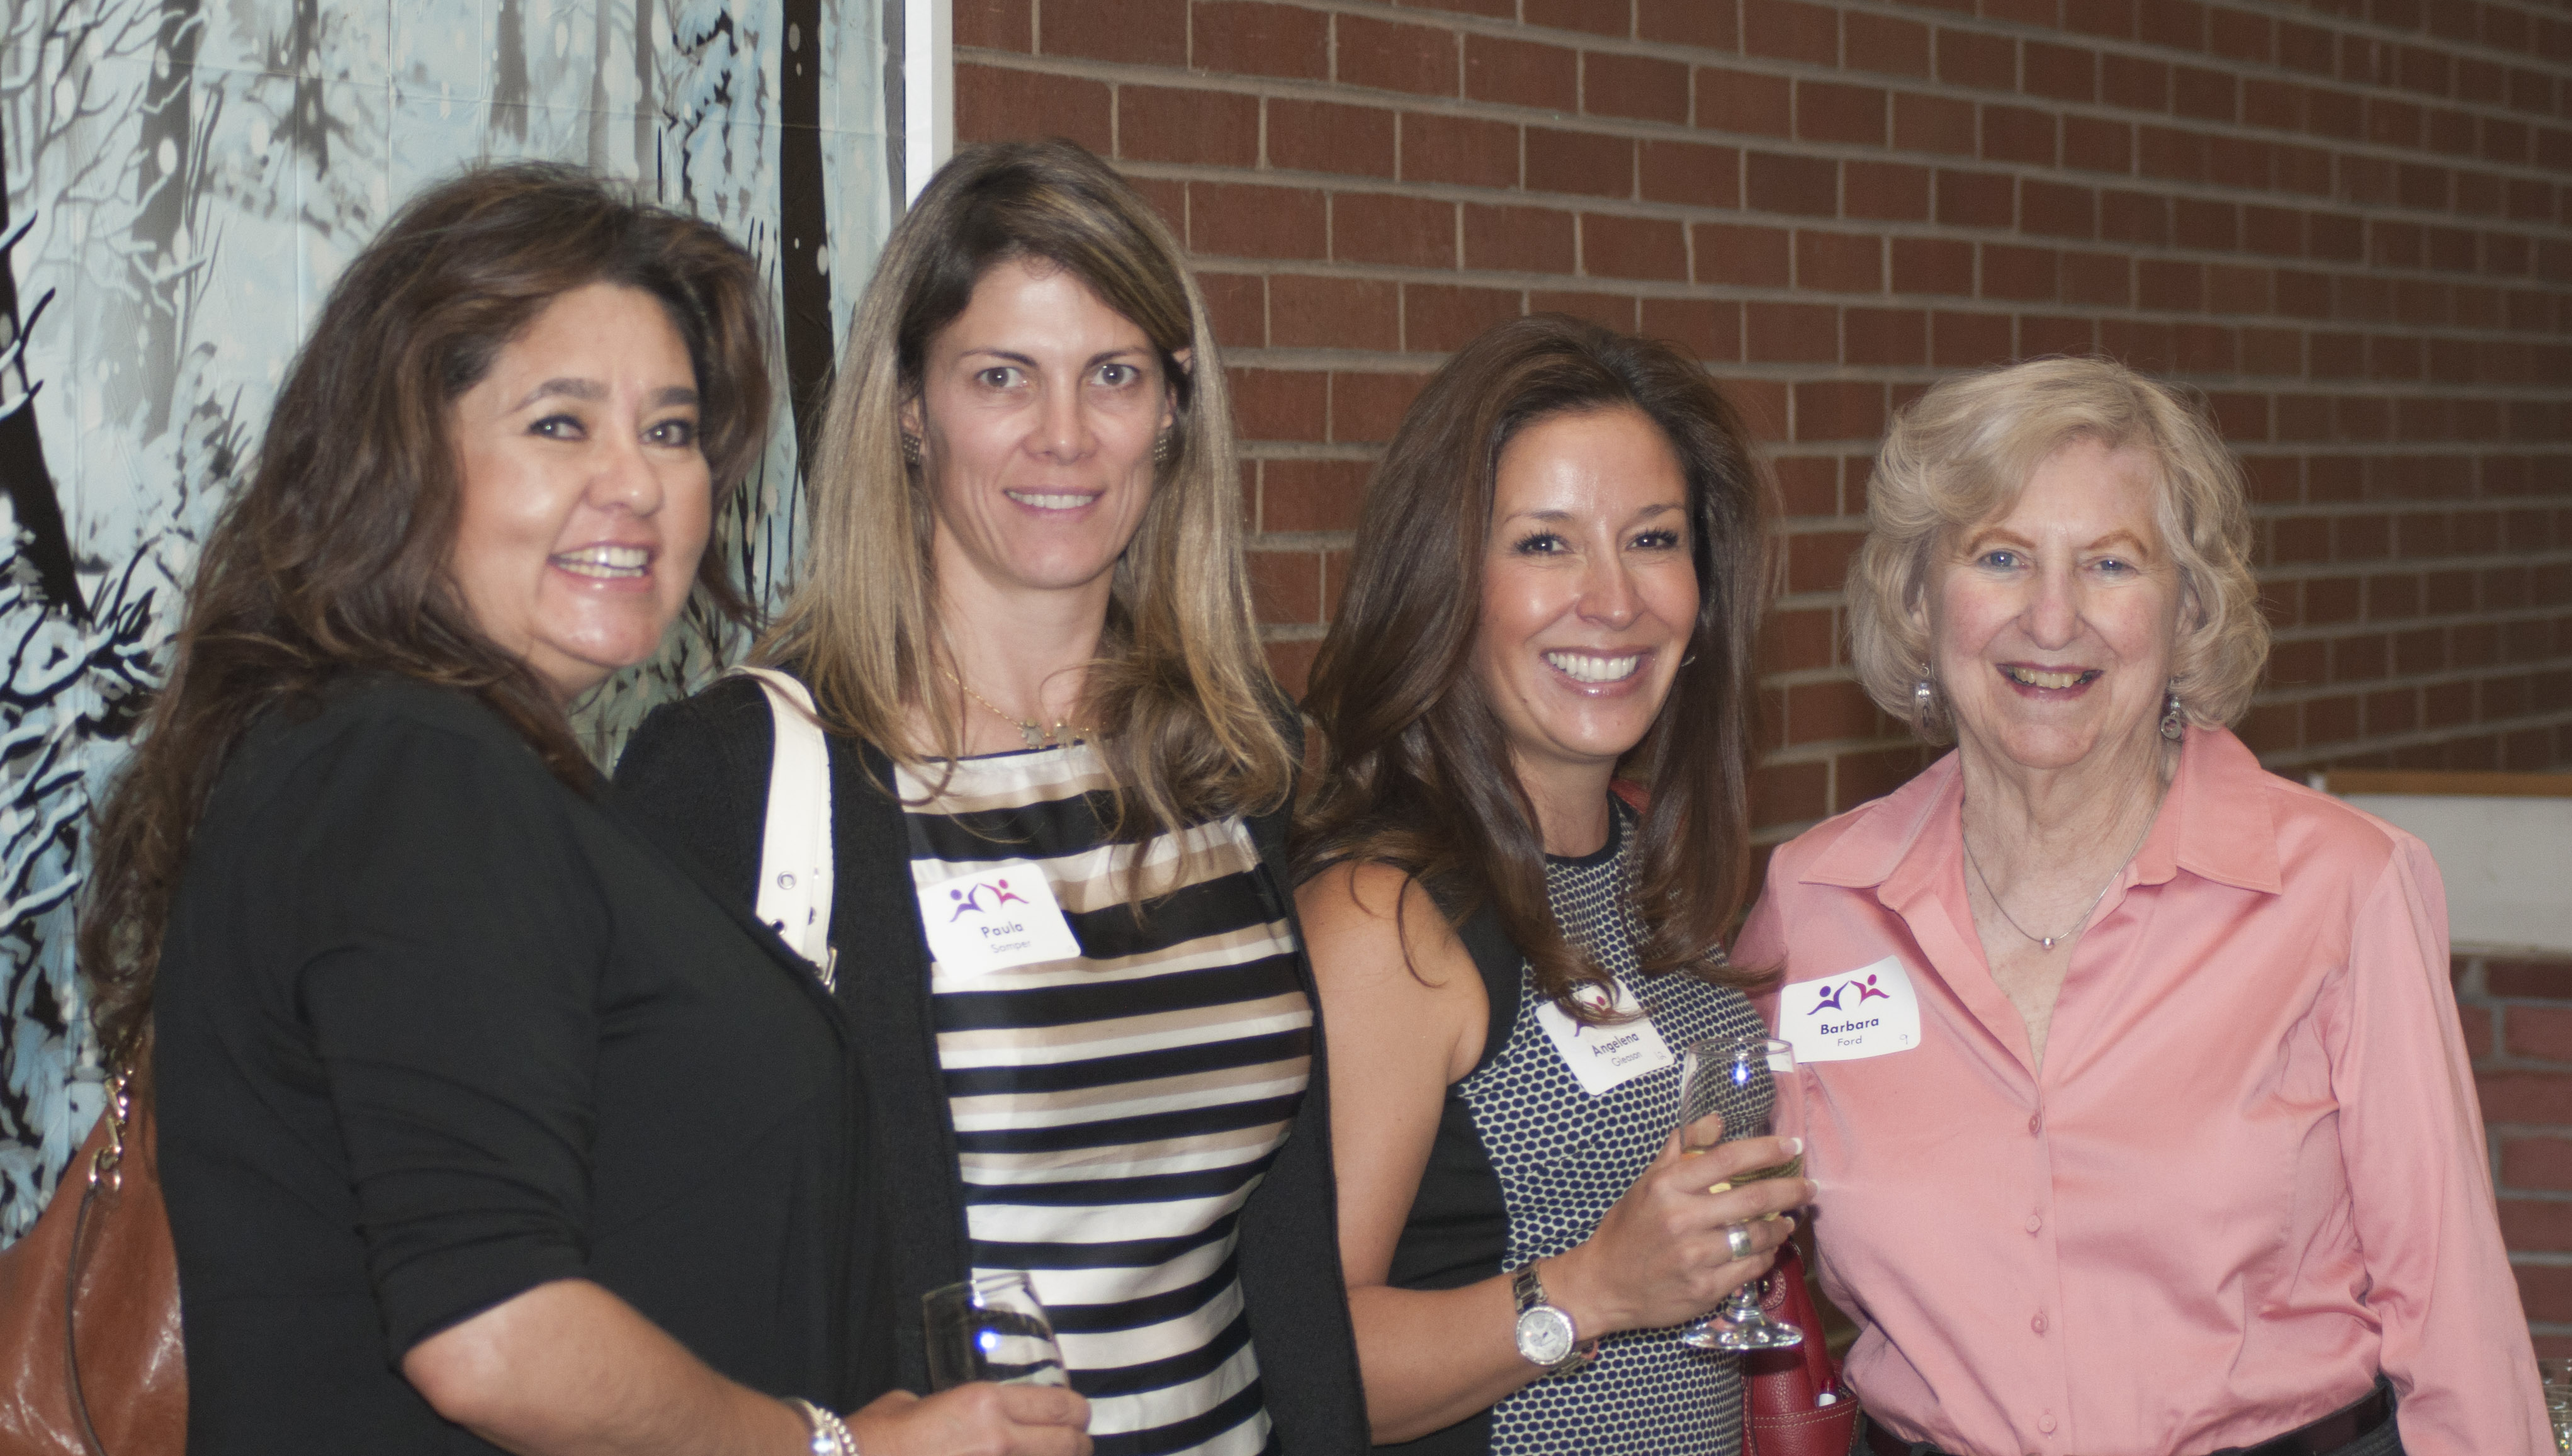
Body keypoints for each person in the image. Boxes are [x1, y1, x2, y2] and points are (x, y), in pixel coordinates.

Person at [77, 164, 1061, 1454]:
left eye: (670, 429)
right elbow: (491, 1335)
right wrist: (837, 1449)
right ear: (402, 454)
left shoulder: (432, 760)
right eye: (559, 425)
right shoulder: (413, 773)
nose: (638, 484)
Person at [613, 138, 1367, 1456]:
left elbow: (1286, 1254)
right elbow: (647, 1259)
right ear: (911, 407)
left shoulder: (1237, 758)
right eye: (1002, 378)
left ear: (1176, 411)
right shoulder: (741, 780)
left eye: (1115, 376)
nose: (1064, 437)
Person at [1735, 356, 2547, 1456]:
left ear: (2186, 607)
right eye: (2001, 556)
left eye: (2110, 563)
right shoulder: (1817, 901)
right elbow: (1723, 1251)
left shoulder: (2341, 887)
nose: (2052, 617)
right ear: (1920, 601)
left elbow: (2454, 1316)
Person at [1290, 314, 1810, 1455]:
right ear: (1446, 580)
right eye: (1543, 544)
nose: (1613, 599)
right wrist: (1592, 1289)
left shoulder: (1635, 866)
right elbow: (1303, 1359)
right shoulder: (1391, 918)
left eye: (1653, 539)